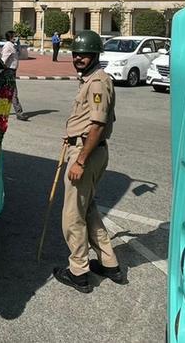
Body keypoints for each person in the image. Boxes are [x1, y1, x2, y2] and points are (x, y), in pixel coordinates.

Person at [53, 29, 126, 293]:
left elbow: (97, 124)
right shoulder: (90, 79)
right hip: (87, 149)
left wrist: (80, 160)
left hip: (87, 153)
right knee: (89, 210)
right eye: (76, 54)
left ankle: (79, 272)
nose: (79, 58)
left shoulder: (96, 83)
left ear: (95, 55)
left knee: (73, 216)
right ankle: (109, 264)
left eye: (84, 54)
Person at [0, 30, 26, 121]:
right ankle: (19, 112)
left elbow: (20, 55)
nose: (16, 37)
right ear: (10, 37)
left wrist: (19, 45)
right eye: (15, 36)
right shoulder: (8, 46)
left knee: (7, 92)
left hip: (12, 71)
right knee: (13, 92)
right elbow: (3, 59)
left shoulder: (13, 45)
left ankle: (2, 112)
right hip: (8, 71)